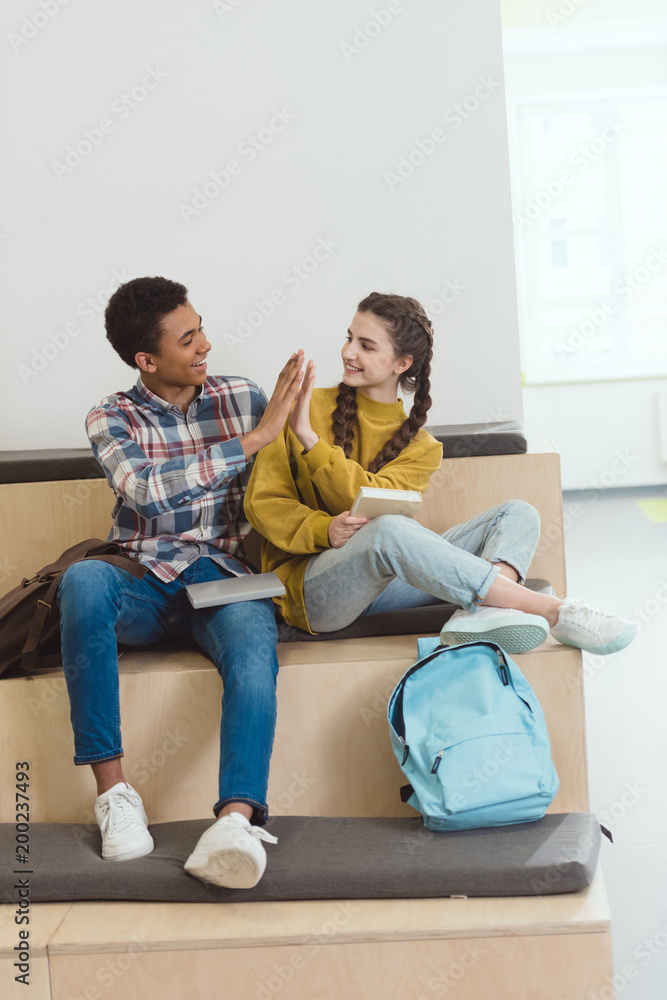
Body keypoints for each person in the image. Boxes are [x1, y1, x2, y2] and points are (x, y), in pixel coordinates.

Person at [56, 276, 305, 889]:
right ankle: (115, 796)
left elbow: (293, 475)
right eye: (189, 338)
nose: (206, 346)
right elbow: (143, 491)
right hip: (143, 579)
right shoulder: (110, 417)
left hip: (223, 578)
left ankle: (235, 820)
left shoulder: (243, 396)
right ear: (147, 359)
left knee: (253, 642)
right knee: (83, 582)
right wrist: (250, 441)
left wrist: (300, 423)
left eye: (201, 329)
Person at [244, 291, 636, 657]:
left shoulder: (422, 448)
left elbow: (366, 499)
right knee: (388, 531)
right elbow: (262, 502)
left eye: (366, 345)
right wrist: (322, 528)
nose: (348, 352)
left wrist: (312, 445)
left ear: (402, 363)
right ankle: (555, 612)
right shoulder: (303, 409)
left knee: (518, 513)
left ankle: (483, 612)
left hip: (383, 584)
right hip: (312, 594)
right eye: (349, 338)